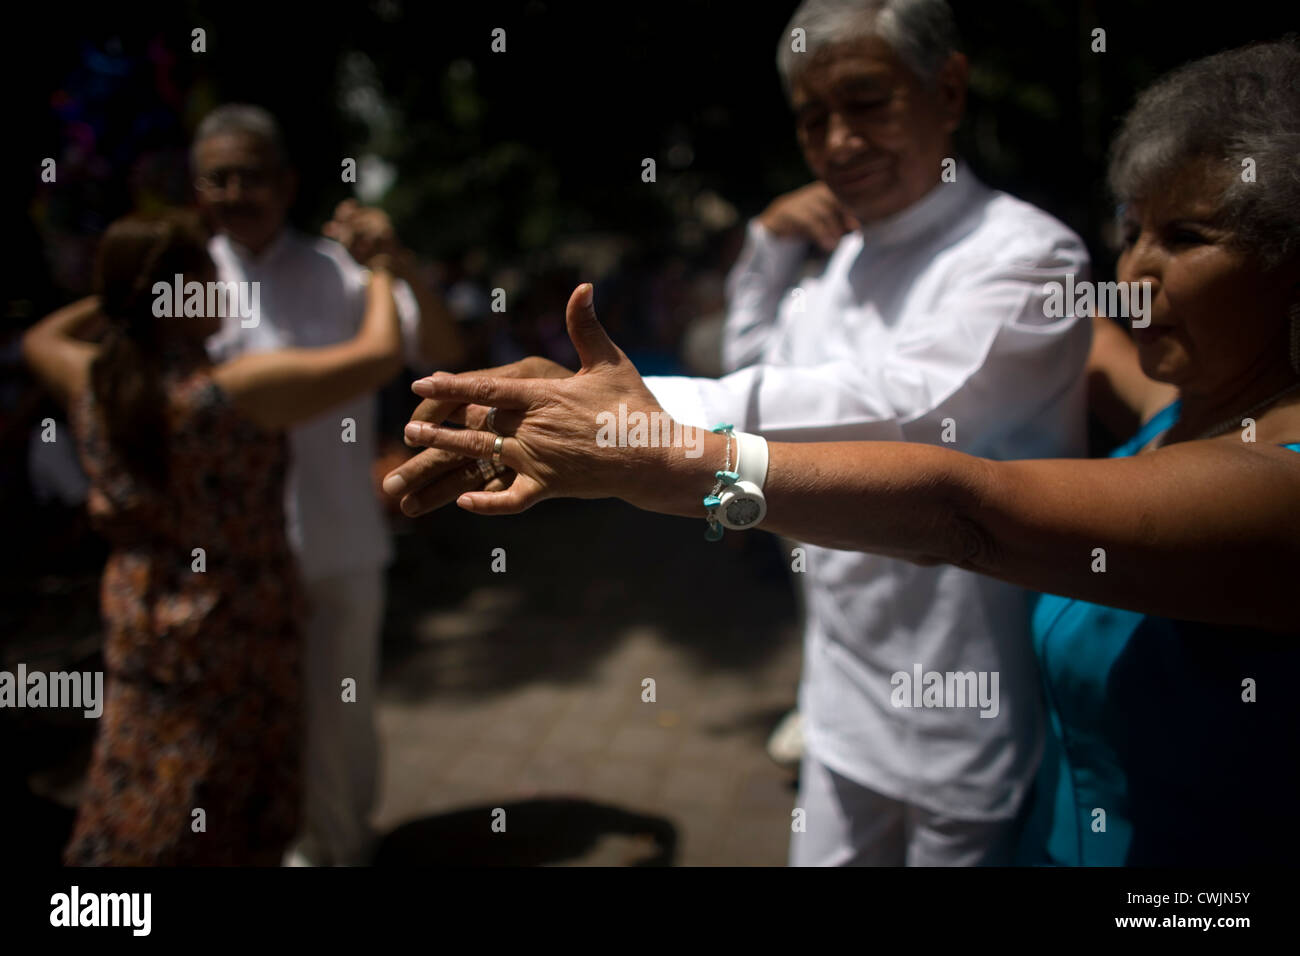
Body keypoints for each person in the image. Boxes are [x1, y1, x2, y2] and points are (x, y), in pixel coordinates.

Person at [398, 37, 1300, 865]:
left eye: (1185, 238)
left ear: (949, 88)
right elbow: (763, 368)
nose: (1132, 272)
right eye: (1132, 229)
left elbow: (933, 461)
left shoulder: (1031, 258)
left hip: (989, 740)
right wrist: (757, 256)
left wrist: (645, 439)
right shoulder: (1184, 396)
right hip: (844, 695)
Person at [21, 210, 405, 865]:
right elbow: (379, 354)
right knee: (229, 798)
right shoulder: (239, 390)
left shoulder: (91, 379)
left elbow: (41, 336)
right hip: (240, 628)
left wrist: (122, 295)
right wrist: (381, 269)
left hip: (142, 617)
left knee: (144, 773)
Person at [191, 104, 466, 866]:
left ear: (287, 183)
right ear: (197, 189)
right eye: (220, 177)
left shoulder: (341, 271)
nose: (238, 191)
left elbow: (441, 358)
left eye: (253, 175)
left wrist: (399, 264)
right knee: (237, 722)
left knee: (338, 718)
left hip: (338, 541)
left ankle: (342, 851)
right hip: (223, 559)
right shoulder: (182, 285)